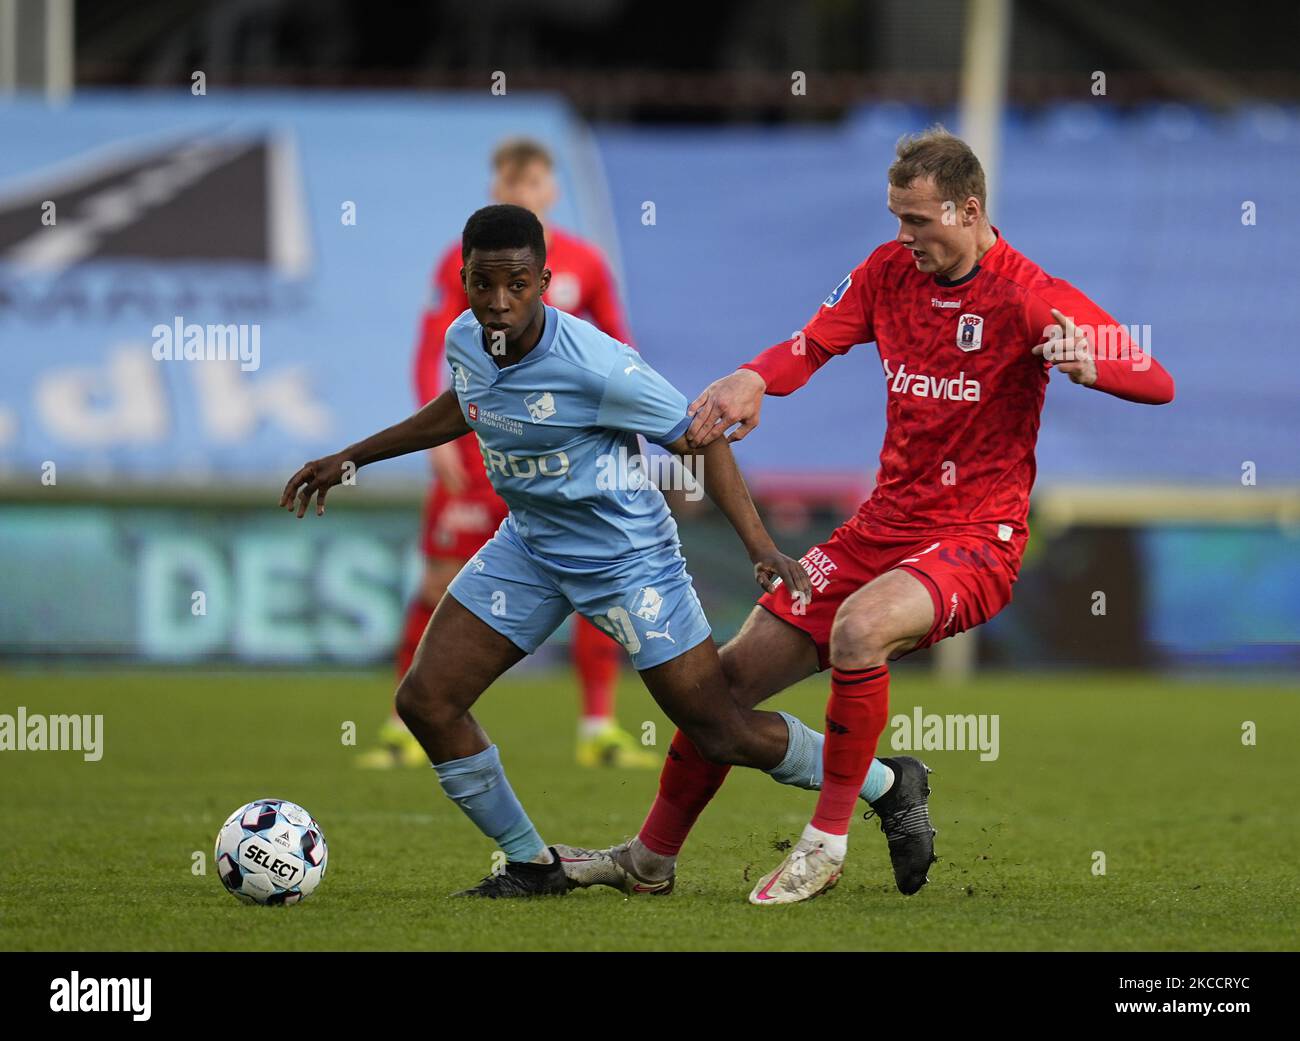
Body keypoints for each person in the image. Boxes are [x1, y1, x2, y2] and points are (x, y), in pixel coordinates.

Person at [561, 126, 1174, 906]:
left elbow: (1156, 379)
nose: (904, 236)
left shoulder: (1028, 294)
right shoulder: (888, 273)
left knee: (859, 628)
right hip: (881, 528)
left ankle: (824, 840)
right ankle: (651, 858)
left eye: (917, 220)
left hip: (976, 539)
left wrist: (1096, 364)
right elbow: (811, 345)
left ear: (969, 209)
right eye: (896, 217)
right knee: (716, 691)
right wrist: (754, 376)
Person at [281, 204, 910, 899]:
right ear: (462, 278)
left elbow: (699, 439)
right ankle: (531, 862)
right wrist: (350, 457)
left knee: (719, 732)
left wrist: (761, 545)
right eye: (482, 284)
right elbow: (464, 403)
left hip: (629, 563)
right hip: (529, 548)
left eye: (516, 284)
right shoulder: (467, 339)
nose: (498, 302)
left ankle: (887, 781)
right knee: (427, 701)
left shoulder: (599, 365)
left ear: (544, 280)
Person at [371, 137, 653, 770]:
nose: (522, 194)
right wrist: (437, 437)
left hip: (567, 455)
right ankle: (401, 721)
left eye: (533, 184)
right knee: (439, 582)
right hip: (481, 446)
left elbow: (619, 346)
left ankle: (598, 725)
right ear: (498, 188)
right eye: (511, 184)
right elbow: (431, 349)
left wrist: (632, 433)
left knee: (595, 577)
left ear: (550, 189)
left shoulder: (586, 262)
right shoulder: (460, 264)